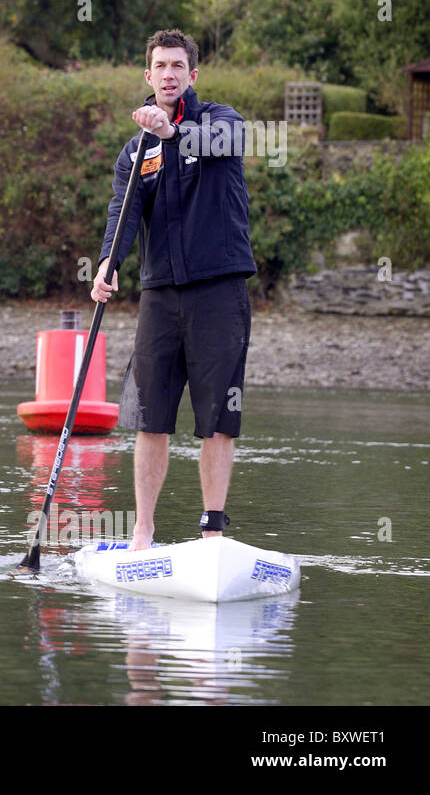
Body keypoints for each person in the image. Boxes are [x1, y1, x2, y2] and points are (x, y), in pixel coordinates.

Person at [91, 29, 256, 551]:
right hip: (159, 296)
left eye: (177, 66)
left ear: (192, 75)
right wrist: (106, 263)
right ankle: (143, 532)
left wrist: (171, 133)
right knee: (151, 416)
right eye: (160, 66)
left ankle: (211, 527)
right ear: (148, 76)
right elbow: (124, 211)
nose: (168, 74)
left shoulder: (221, 121)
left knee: (217, 418)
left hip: (219, 292)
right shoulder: (134, 151)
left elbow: (226, 144)